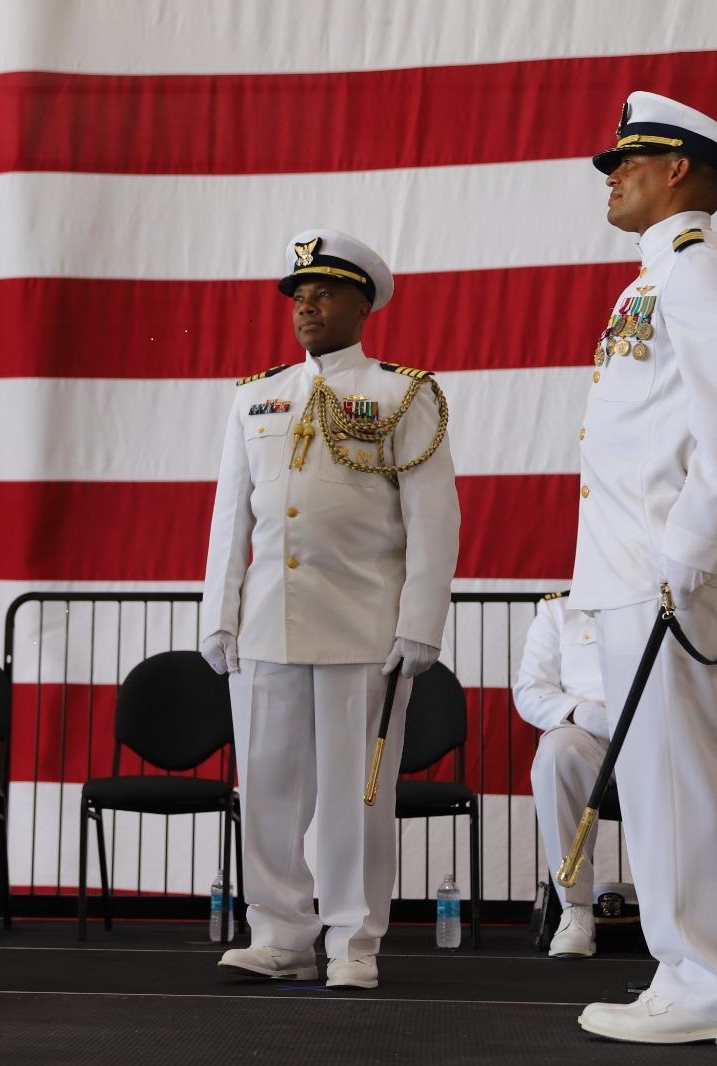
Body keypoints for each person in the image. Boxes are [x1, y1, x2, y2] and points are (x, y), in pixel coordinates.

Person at [200, 229, 460, 990]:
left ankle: (353, 942)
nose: (306, 306)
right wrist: (219, 611)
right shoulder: (255, 395)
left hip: (363, 626)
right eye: (298, 295)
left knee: (356, 796)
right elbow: (231, 518)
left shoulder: (402, 393)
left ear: (362, 303)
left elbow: (433, 519)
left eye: (323, 293)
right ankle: (279, 934)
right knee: (270, 788)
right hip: (269, 622)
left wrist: (421, 622)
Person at [569, 91, 717, 1046]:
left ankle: (715, 989)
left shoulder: (698, 270)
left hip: (665, 574)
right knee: (655, 784)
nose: (610, 176)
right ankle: (684, 971)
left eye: (626, 161)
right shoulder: (652, 279)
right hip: (632, 573)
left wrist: (687, 556)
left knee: (678, 781)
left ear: (677, 170)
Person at [512, 591, 613, 959]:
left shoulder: (663, 598)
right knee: (557, 750)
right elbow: (530, 689)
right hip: (589, 735)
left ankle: (677, 910)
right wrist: (578, 711)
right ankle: (576, 909)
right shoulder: (559, 610)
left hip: (652, 732)